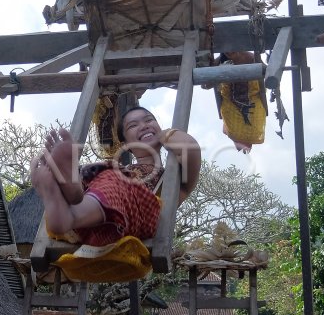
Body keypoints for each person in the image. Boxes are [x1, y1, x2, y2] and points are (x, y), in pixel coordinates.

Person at [30, 108, 201, 255]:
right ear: (125, 144)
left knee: (116, 178)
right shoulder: (118, 169)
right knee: (104, 173)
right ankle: (68, 189)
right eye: (133, 126)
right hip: (92, 226)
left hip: (131, 222)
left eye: (149, 120)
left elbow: (189, 146)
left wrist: (164, 133)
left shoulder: (175, 184)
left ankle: (69, 207)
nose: (143, 125)